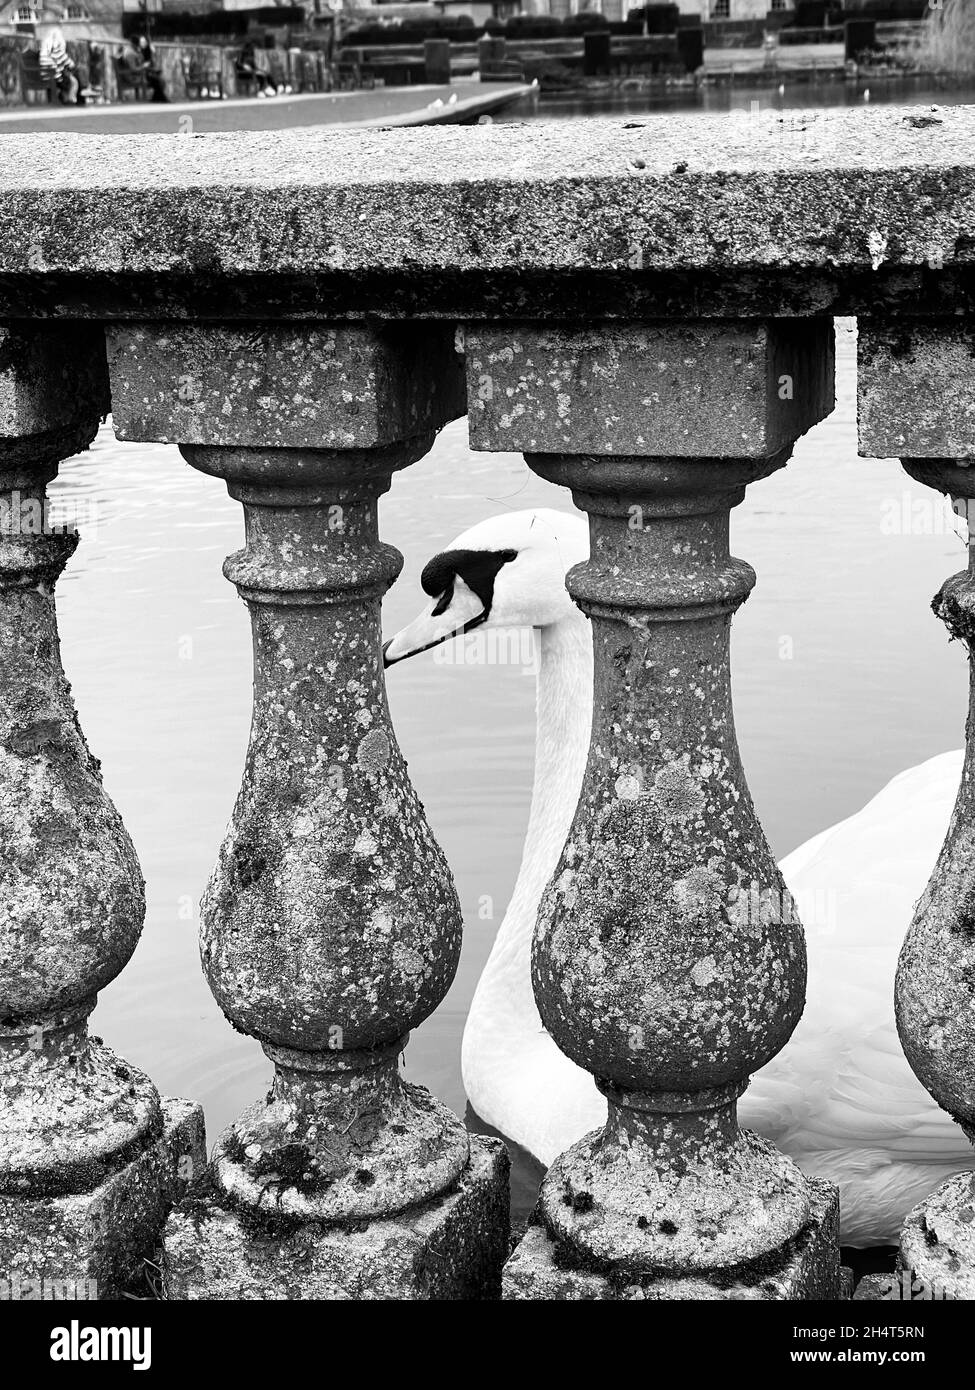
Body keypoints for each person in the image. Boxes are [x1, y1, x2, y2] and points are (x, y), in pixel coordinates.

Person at [38, 27, 80, 105]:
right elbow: (67, 62)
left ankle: (64, 99)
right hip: (55, 78)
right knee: (74, 81)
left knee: (67, 78)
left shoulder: (44, 49)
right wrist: (72, 65)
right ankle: (70, 100)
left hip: (44, 76)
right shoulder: (56, 48)